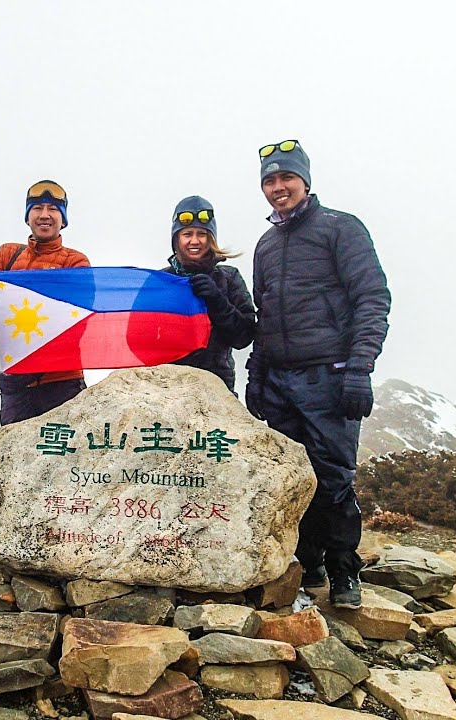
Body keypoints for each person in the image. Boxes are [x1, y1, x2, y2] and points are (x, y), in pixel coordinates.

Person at [245, 140, 391, 609]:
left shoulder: (339, 229)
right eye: (269, 180)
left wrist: (359, 370)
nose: (277, 187)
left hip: (329, 376)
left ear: (305, 181)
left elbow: (373, 299)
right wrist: (257, 375)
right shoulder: (266, 245)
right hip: (281, 381)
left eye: (286, 178)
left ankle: (345, 571)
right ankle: (308, 565)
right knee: (295, 479)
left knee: (332, 478)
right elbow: (264, 315)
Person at [0, 180, 91, 425]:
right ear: (28, 216)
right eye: (37, 208)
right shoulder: (7, 254)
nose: (44, 215)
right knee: (13, 457)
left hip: (63, 380)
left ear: (63, 219)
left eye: (53, 209)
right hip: (15, 381)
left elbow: (79, 317)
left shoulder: (75, 261)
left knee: (63, 453)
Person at [160, 195, 256, 391]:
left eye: (201, 234)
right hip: (169, 389)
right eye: (187, 234)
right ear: (176, 238)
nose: (194, 241)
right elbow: (141, 338)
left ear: (211, 238)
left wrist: (217, 301)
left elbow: (243, 338)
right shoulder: (160, 281)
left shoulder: (229, 278)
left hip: (217, 388)